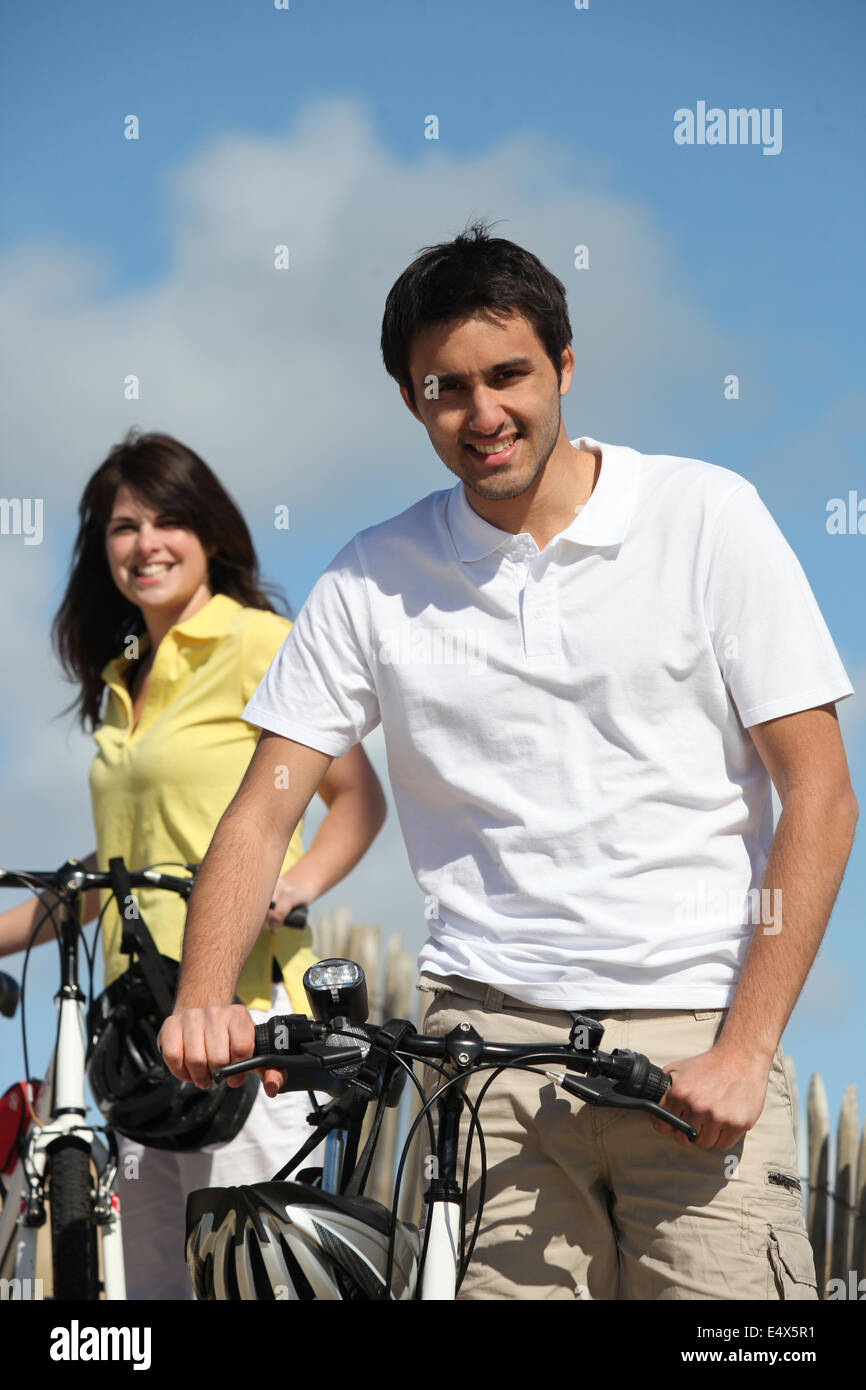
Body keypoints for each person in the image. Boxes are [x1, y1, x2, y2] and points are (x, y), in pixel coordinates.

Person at [158, 222, 858, 1300]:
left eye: (507, 375)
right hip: (481, 1066)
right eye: (444, 387)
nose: (481, 413)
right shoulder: (369, 578)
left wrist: (744, 1048)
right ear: (410, 399)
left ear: (564, 366)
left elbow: (818, 791)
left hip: (695, 1044)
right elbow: (261, 812)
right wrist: (204, 993)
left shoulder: (706, 517)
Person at [0, 429, 386, 1299]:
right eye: (123, 526)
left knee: (248, 1279)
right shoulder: (117, 680)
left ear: (211, 533)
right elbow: (110, 874)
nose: (146, 544)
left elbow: (357, 798)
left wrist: (297, 885)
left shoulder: (258, 642)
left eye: (169, 519)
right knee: (154, 1289)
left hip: (246, 1014)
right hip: (144, 1032)